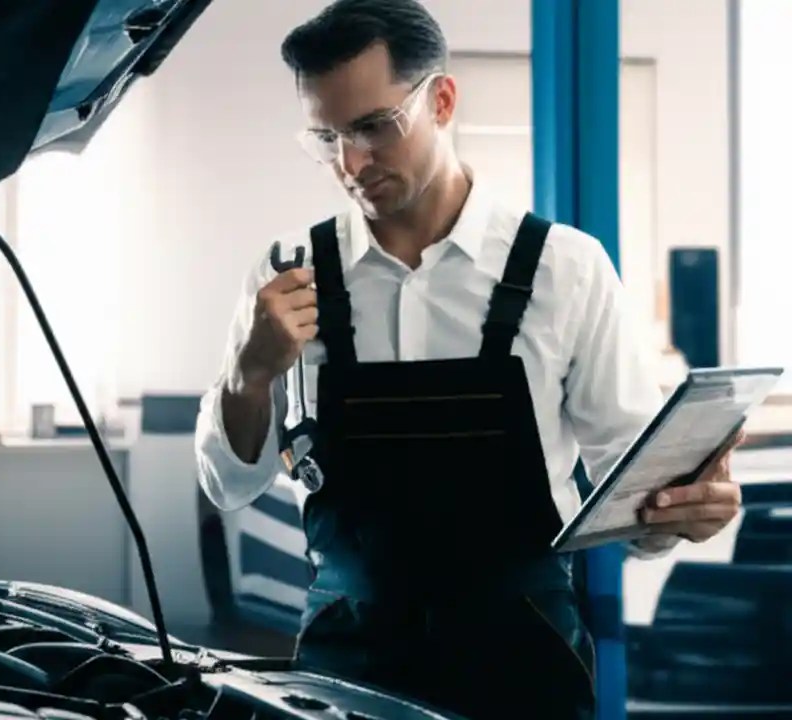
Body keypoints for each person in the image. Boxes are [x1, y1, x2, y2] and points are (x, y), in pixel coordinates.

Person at [192, 1, 744, 718]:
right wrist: (250, 371)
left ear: (442, 100)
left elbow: (632, 489)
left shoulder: (564, 268)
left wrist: (685, 511)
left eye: (373, 127)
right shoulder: (288, 270)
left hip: (526, 657)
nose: (351, 163)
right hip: (347, 658)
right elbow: (229, 484)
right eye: (326, 138)